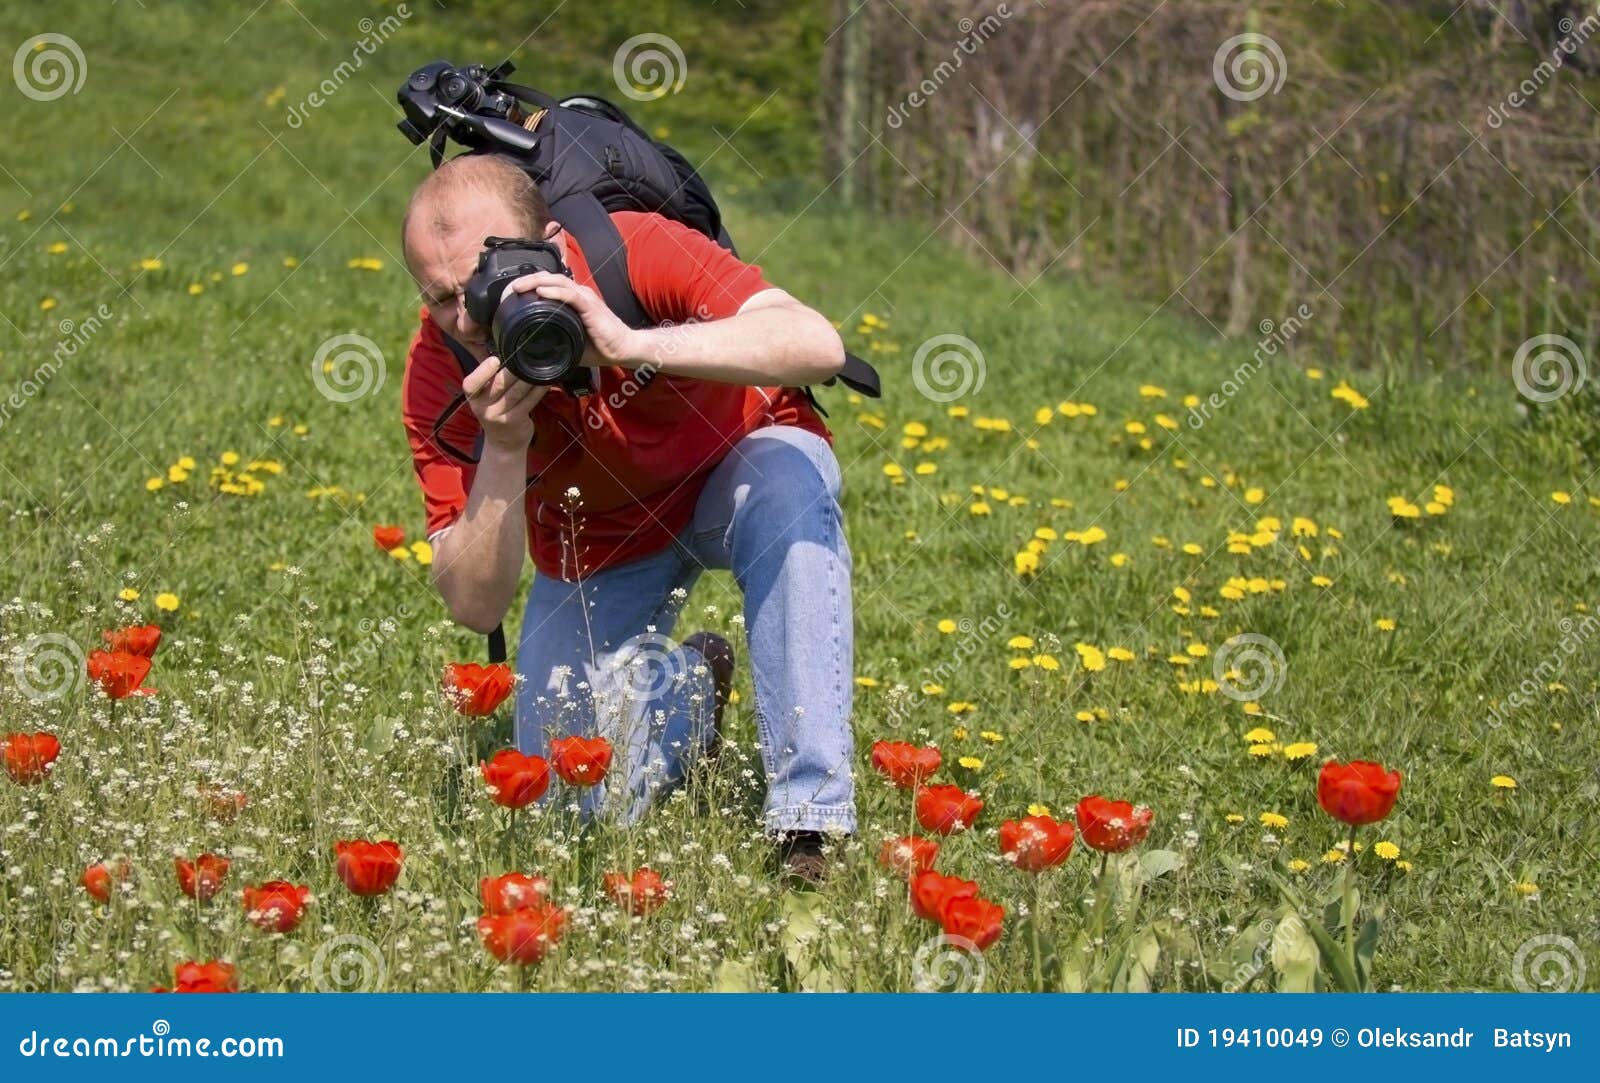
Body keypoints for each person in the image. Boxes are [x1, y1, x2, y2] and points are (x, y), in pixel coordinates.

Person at [399, 153, 856, 881]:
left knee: (791, 485)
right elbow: (474, 603)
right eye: (442, 297)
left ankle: (810, 820)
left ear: (549, 241)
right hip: (602, 538)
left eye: (489, 276)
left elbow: (816, 344)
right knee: (567, 804)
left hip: (735, 464)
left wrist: (632, 344)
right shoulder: (441, 369)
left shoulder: (629, 248)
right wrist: (505, 447)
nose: (471, 315)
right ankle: (691, 694)